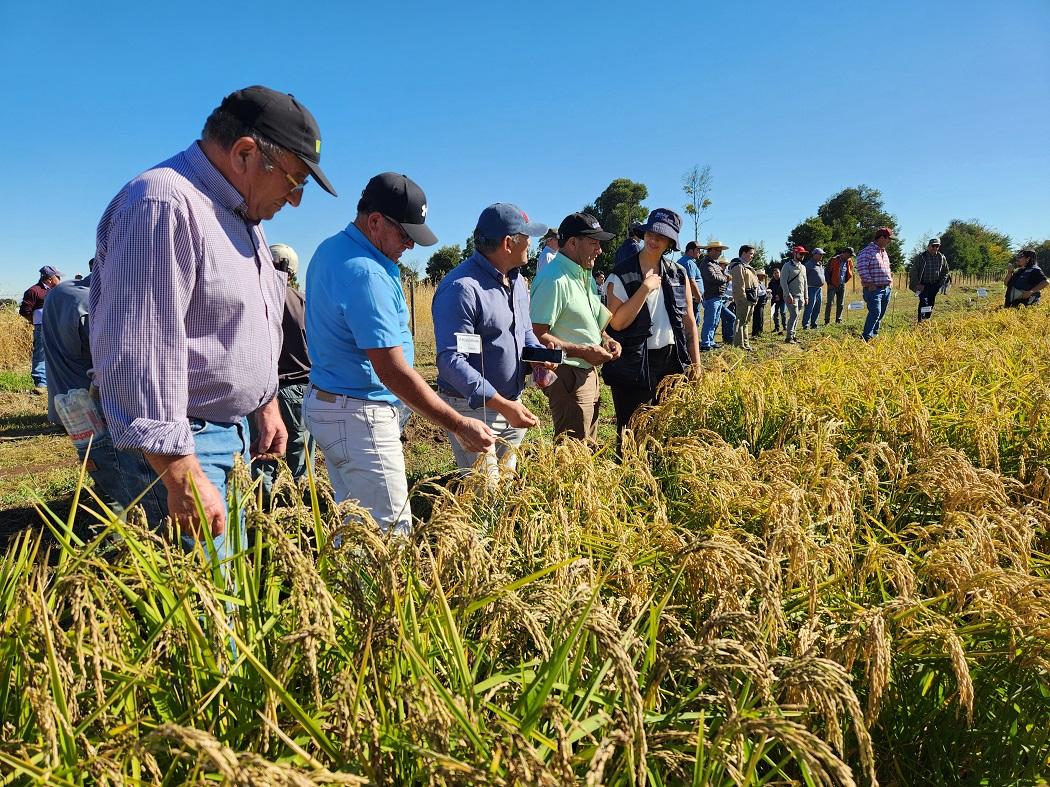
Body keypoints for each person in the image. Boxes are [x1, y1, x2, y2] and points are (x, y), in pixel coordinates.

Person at [91, 85, 335, 560]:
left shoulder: (243, 218)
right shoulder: (163, 204)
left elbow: (242, 323)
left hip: (229, 436)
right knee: (207, 614)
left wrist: (264, 404)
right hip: (182, 446)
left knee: (231, 589)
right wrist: (180, 471)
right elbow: (139, 350)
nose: (296, 199)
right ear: (246, 153)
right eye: (294, 180)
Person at [305, 173, 494, 533]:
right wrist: (457, 424)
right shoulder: (365, 273)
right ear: (375, 221)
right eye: (405, 235)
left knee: (356, 528)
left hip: (333, 406)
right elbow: (391, 371)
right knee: (390, 536)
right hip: (360, 416)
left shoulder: (333, 250)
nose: (410, 245)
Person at [41, 260, 166, 523]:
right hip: (96, 407)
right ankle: (114, 542)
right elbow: (113, 363)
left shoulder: (59, 293)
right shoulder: (92, 305)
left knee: (99, 468)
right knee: (117, 477)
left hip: (66, 403)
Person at [433, 203, 549, 477]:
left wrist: (538, 354)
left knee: (506, 485)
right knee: (484, 494)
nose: (531, 244)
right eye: (526, 237)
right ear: (509, 243)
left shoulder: (518, 282)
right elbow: (451, 360)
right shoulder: (462, 289)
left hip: (512, 403)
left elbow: (525, 331)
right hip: (474, 409)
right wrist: (501, 404)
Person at [603, 208, 700, 438]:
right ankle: (630, 473)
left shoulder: (679, 273)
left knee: (666, 429)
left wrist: (696, 365)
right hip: (633, 362)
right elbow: (616, 324)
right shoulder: (620, 274)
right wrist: (644, 289)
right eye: (650, 233)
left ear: (670, 243)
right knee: (632, 431)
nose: (654, 239)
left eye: (661, 236)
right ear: (644, 234)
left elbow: (689, 322)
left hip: (671, 361)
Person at [530, 213, 622, 442]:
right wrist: (583, 351)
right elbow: (536, 335)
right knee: (572, 453)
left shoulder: (584, 276)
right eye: (593, 243)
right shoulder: (554, 280)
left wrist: (605, 338)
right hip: (567, 375)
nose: (599, 250)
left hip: (586, 372)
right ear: (572, 243)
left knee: (586, 447)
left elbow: (588, 322)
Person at [248, 243, 314, 505]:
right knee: (301, 455)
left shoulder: (256, 302)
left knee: (264, 452)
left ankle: (263, 509)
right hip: (301, 388)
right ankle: (299, 509)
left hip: (266, 393)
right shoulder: (304, 302)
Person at [19, 265, 63, 394]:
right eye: (57, 277)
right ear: (50, 278)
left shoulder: (56, 291)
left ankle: (54, 380)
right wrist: (35, 322)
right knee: (40, 354)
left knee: (57, 352)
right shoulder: (34, 291)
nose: (59, 279)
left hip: (56, 326)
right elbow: (25, 311)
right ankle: (41, 383)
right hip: (42, 326)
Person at [856, 227, 895, 341]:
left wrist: (890, 282)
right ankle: (866, 336)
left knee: (880, 313)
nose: (890, 242)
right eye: (889, 239)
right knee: (875, 312)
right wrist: (870, 283)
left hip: (886, 288)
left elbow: (887, 268)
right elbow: (862, 269)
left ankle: (874, 334)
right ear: (882, 238)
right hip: (874, 289)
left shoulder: (883, 252)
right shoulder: (867, 251)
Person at [698, 241, 730, 350]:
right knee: (710, 320)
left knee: (715, 321)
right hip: (711, 296)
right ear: (710, 250)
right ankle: (705, 343)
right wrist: (726, 279)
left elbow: (720, 276)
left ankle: (710, 341)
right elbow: (712, 278)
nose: (719, 252)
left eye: (720, 250)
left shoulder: (714, 263)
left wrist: (725, 277)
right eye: (717, 250)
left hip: (717, 296)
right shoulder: (707, 263)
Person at [909, 238, 950, 322]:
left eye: (937, 246)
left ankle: (926, 319)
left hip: (935, 285)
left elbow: (946, 271)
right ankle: (921, 320)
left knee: (931, 303)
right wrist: (917, 284)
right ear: (928, 246)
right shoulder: (921, 257)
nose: (935, 248)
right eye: (933, 246)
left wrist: (940, 283)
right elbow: (914, 271)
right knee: (924, 302)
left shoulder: (941, 257)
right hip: (923, 285)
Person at [729, 245, 760, 350]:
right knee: (740, 321)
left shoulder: (746, 266)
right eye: (750, 253)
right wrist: (742, 299)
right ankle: (739, 345)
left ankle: (745, 344)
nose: (752, 256)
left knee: (745, 322)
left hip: (751, 298)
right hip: (744, 299)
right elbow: (739, 285)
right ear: (743, 253)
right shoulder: (738, 266)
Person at [781, 246, 807, 344]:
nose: (803, 256)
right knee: (794, 314)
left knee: (797, 316)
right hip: (791, 296)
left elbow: (805, 282)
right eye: (801, 254)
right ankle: (789, 337)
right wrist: (788, 294)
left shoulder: (803, 267)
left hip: (801, 296)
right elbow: (783, 281)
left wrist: (806, 296)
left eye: (804, 254)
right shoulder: (787, 266)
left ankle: (794, 335)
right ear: (795, 254)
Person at [676, 241, 705, 323]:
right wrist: (698, 296)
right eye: (698, 250)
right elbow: (691, 281)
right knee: (692, 323)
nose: (700, 252)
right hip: (692, 299)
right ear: (690, 250)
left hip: (685, 297)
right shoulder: (689, 263)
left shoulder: (681, 260)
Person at [824, 247, 854, 325]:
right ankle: (827, 321)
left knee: (841, 304)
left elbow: (850, 272)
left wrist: (844, 281)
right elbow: (826, 272)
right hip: (832, 285)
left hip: (842, 284)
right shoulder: (833, 259)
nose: (850, 257)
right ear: (845, 253)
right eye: (850, 255)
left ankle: (838, 320)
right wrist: (829, 284)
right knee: (829, 303)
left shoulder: (849, 261)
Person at [802, 248, 826, 329]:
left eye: (822, 254)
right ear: (814, 254)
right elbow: (803, 278)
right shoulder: (808, 265)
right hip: (810, 289)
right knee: (809, 307)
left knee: (817, 308)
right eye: (820, 254)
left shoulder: (820, 264)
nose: (822, 256)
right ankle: (805, 325)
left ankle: (814, 324)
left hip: (819, 289)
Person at [720, 257, 737, 344]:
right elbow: (722, 290)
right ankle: (727, 338)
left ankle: (728, 338)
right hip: (723, 301)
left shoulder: (728, 275)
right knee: (726, 319)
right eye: (724, 264)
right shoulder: (722, 276)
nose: (725, 266)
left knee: (728, 319)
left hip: (730, 301)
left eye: (726, 265)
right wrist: (728, 297)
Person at [769, 266, 785, 333]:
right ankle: (776, 327)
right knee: (775, 314)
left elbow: (785, 290)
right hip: (774, 300)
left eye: (778, 272)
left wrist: (780, 296)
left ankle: (785, 326)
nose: (776, 274)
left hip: (782, 300)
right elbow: (770, 289)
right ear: (773, 274)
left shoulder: (783, 280)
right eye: (775, 273)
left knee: (783, 313)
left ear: (780, 273)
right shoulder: (771, 282)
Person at [753, 270, 769, 337]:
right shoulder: (756, 283)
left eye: (763, 276)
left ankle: (760, 331)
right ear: (758, 276)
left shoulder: (762, 283)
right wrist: (765, 291)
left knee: (761, 318)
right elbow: (758, 293)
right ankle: (756, 333)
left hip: (762, 303)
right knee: (757, 318)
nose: (763, 277)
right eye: (762, 276)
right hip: (757, 303)